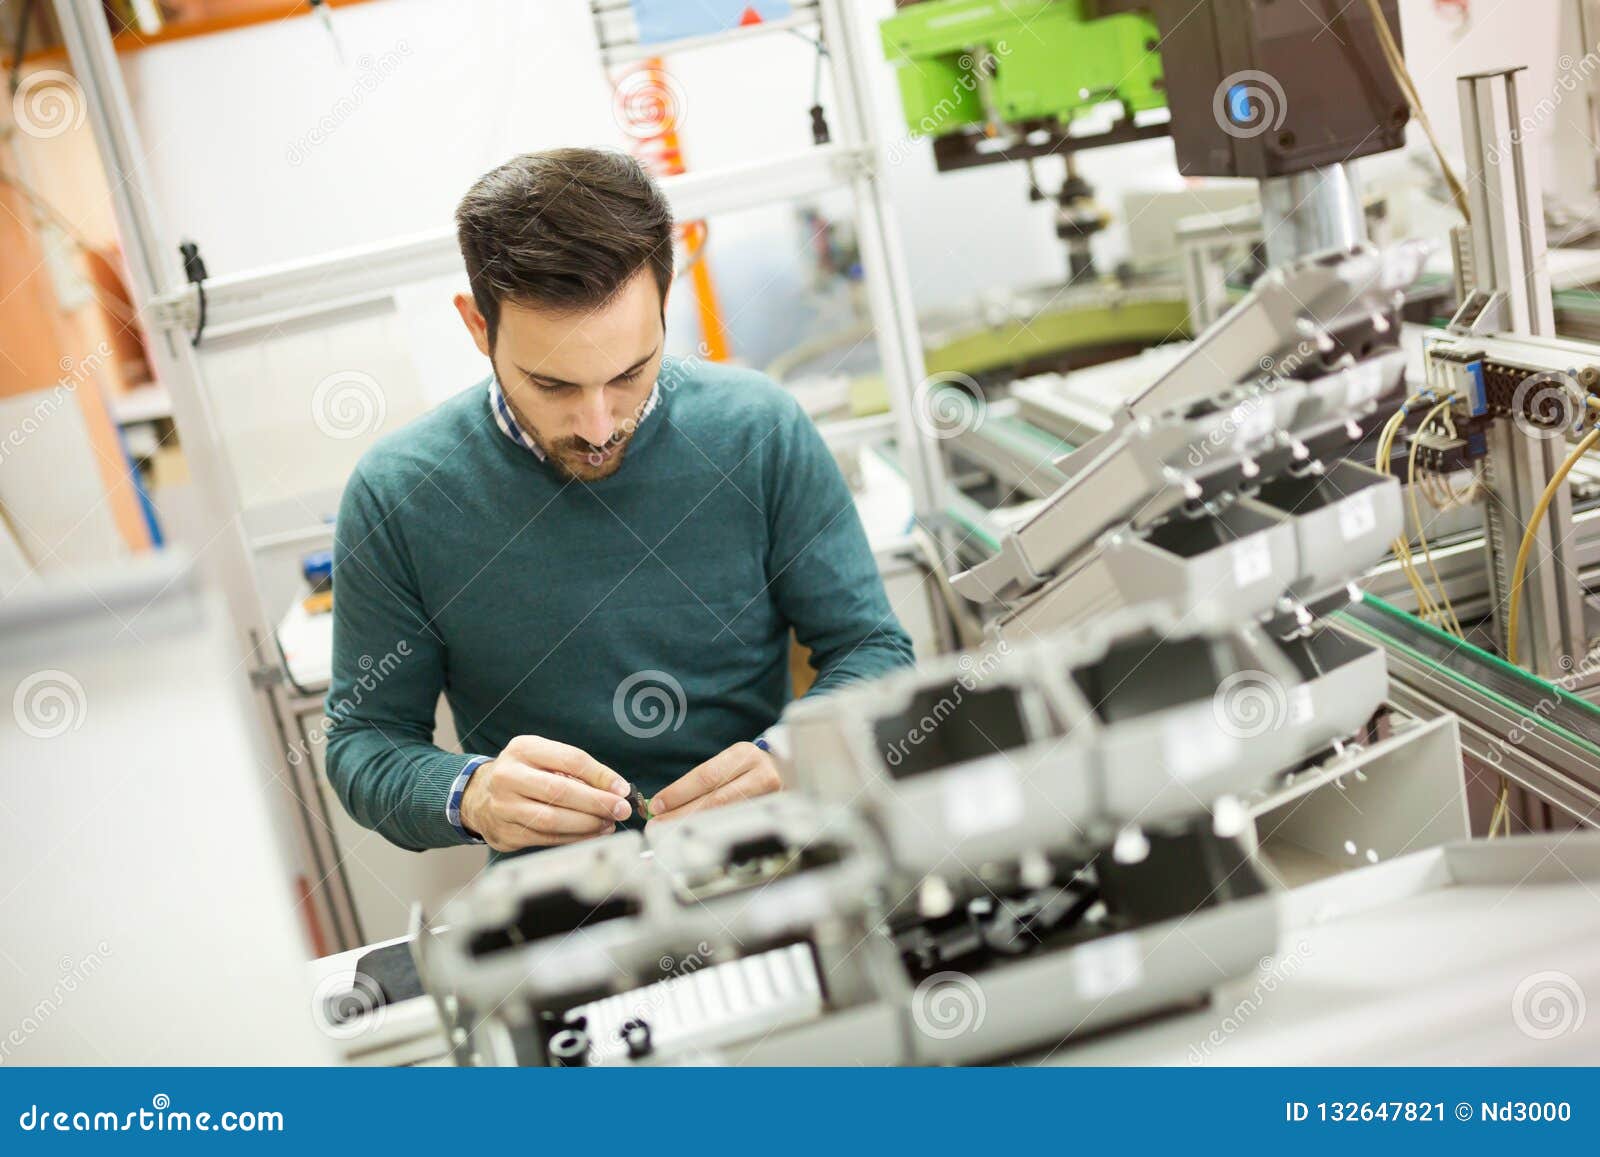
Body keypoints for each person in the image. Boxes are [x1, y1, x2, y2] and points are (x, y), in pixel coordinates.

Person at [324, 148, 914, 860]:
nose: (600, 427)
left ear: (664, 308)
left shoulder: (760, 431)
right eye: (554, 386)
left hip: (770, 852)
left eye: (630, 374)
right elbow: (366, 741)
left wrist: (794, 754)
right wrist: (471, 794)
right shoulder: (400, 494)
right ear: (479, 329)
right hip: (562, 898)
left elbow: (872, 647)